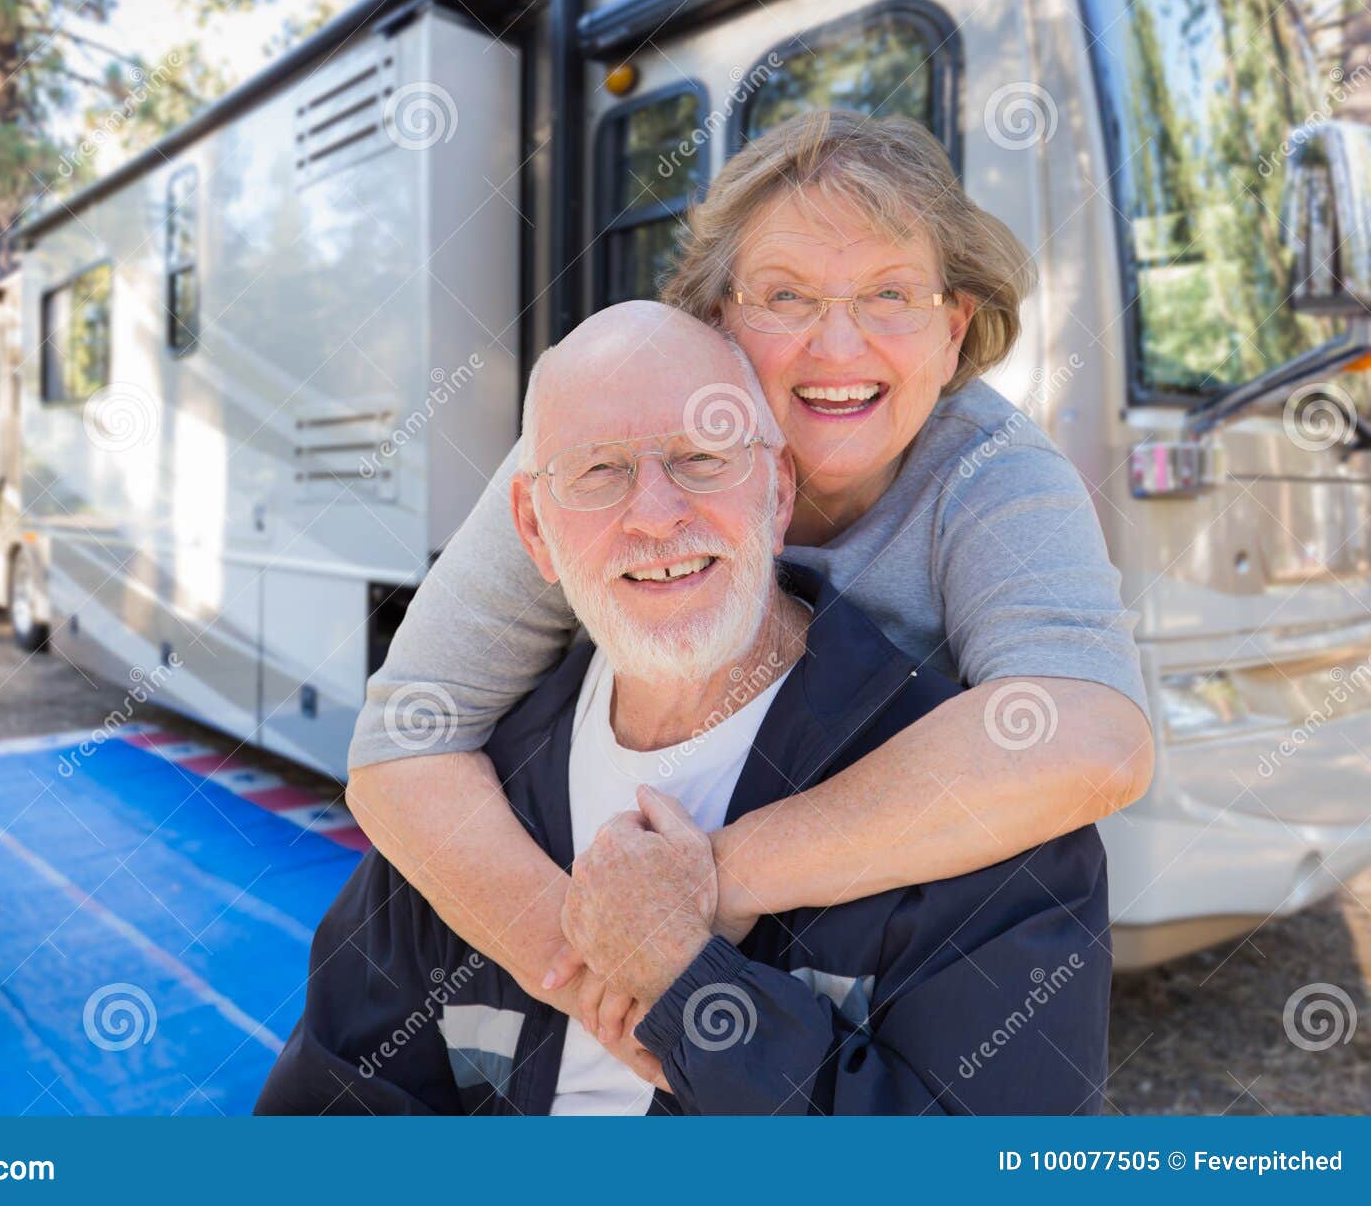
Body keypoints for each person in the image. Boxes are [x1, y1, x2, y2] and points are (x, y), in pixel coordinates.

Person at [345, 110, 1152, 1078]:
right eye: (786, 295)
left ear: (952, 333)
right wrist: (592, 972)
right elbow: (405, 735)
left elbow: (1093, 736)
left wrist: (706, 880)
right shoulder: (595, 459)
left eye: (889, 294)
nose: (838, 346)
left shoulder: (989, 472)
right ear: (715, 320)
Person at [253, 306, 1110, 1115]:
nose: (655, 514)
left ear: (777, 493)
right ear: (535, 529)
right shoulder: (475, 803)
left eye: (703, 457)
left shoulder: (979, 812)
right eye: (599, 471)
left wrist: (693, 993)